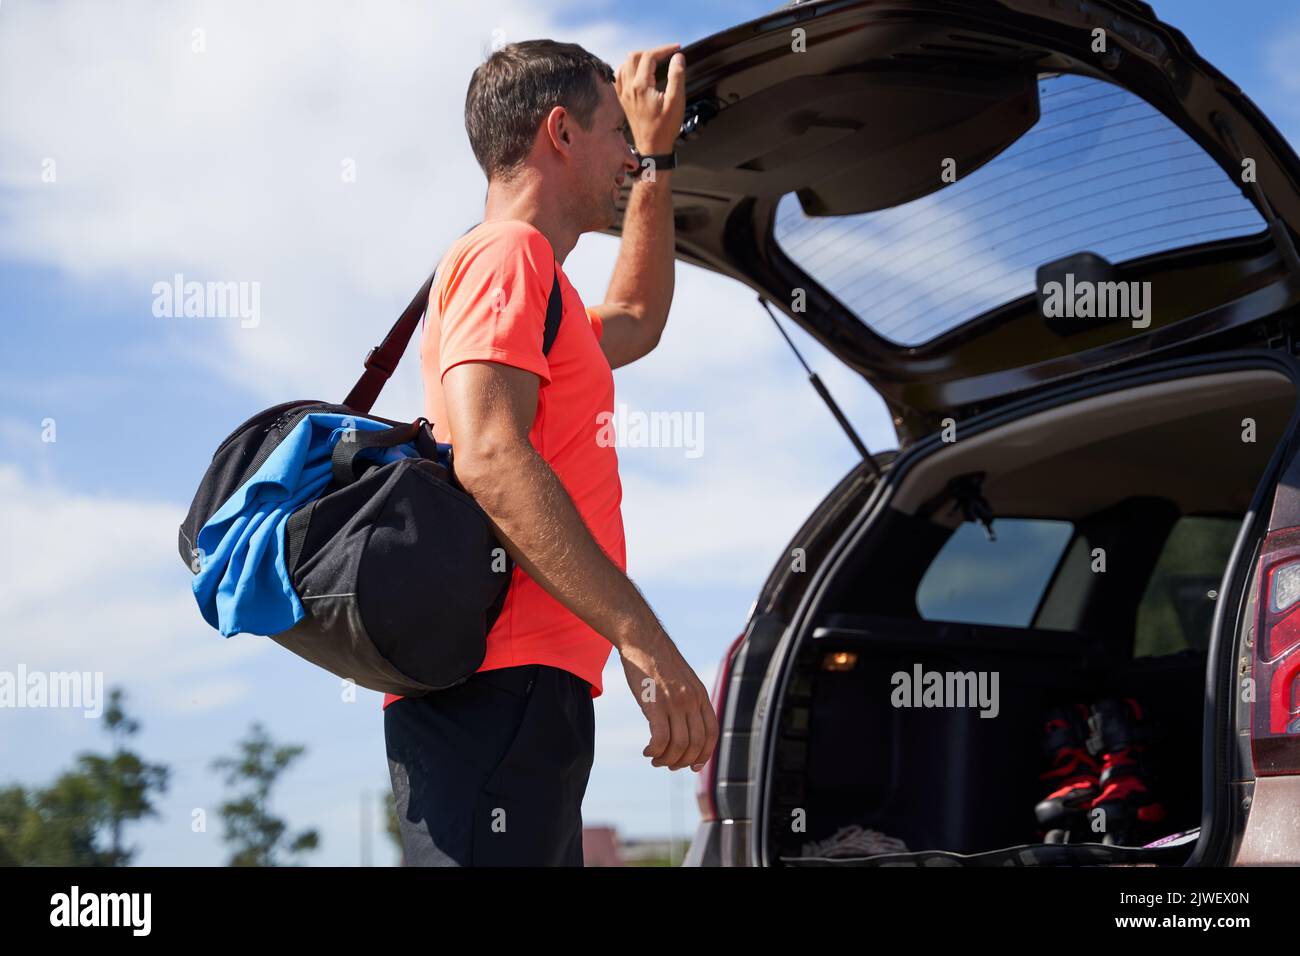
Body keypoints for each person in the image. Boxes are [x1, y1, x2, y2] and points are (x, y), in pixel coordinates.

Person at [383, 38, 719, 866]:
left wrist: (660, 159)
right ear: (561, 132)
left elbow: (636, 316)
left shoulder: (545, 286)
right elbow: (491, 456)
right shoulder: (508, 254)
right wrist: (645, 641)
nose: (626, 158)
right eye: (617, 135)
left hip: (523, 691)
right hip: (498, 685)